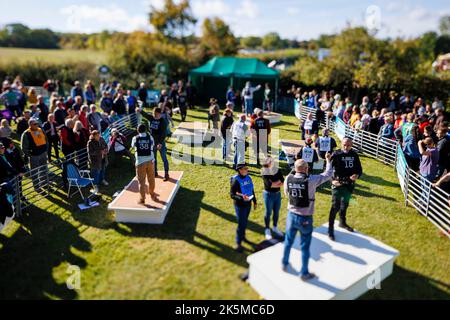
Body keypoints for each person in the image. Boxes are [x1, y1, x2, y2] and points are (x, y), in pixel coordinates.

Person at [282, 153, 332, 281]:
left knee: (288, 242)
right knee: (304, 246)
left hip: (291, 215)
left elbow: (286, 193)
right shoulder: (311, 180)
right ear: (306, 169)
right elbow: (328, 174)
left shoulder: (288, 178)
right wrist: (327, 160)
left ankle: (284, 263)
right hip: (305, 218)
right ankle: (304, 273)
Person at [328, 137, 363, 241]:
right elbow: (328, 169)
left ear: (351, 145)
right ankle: (330, 229)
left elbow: (359, 169)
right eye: (344, 144)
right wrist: (332, 181)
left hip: (349, 184)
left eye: (348, 145)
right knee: (335, 206)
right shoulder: (336, 154)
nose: (346, 147)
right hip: (338, 184)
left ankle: (342, 222)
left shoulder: (354, 154)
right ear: (341, 144)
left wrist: (357, 175)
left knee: (345, 204)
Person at [230, 163, 257, 253]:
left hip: (248, 204)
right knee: (241, 224)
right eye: (245, 168)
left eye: (247, 168)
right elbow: (232, 195)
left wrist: (254, 201)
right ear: (240, 170)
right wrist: (242, 198)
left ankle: (243, 237)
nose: (247, 170)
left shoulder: (248, 178)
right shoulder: (235, 181)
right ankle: (238, 243)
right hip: (240, 206)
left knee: (245, 222)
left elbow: (251, 190)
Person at [131, 124, 160, 204]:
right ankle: (152, 194)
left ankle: (142, 198)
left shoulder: (135, 138)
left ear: (138, 130)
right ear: (146, 130)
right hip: (150, 160)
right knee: (151, 179)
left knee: (141, 181)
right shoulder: (150, 137)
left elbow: (133, 146)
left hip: (140, 162)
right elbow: (153, 145)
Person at [142, 107, 170, 181]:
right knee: (154, 159)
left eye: (156, 114)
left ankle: (166, 174)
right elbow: (145, 115)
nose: (154, 116)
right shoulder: (152, 118)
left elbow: (163, 134)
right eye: (154, 114)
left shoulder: (163, 122)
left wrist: (160, 143)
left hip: (160, 143)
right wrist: (140, 110)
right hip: (153, 143)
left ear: (160, 114)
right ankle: (155, 172)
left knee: (164, 158)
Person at [21, 119, 48, 192]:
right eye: (34, 124)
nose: (37, 125)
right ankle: (37, 187)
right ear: (30, 125)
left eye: (37, 123)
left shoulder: (40, 129)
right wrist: (30, 155)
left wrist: (46, 150)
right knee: (34, 172)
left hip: (43, 154)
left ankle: (44, 183)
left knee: (44, 169)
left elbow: (46, 140)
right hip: (34, 156)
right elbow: (23, 147)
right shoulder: (26, 133)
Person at [261, 157, 284, 240]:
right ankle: (267, 229)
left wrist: (275, 183)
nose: (272, 163)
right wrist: (276, 183)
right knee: (268, 212)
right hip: (268, 195)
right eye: (270, 162)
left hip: (277, 194)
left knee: (276, 212)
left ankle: (275, 227)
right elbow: (269, 185)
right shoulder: (264, 172)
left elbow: (282, 181)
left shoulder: (278, 170)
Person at [87, 130, 108, 194]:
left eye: (99, 135)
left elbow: (105, 145)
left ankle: (102, 180)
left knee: (103, 169)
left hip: (103, 158)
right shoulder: (90, 142)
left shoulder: (101, 139)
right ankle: (95, 185)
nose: (99, 136)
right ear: (93, 136)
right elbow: (90, 152)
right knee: (96, 173)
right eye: (97, 136)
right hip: (95, 161)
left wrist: (105, 149)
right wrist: (100, 152)